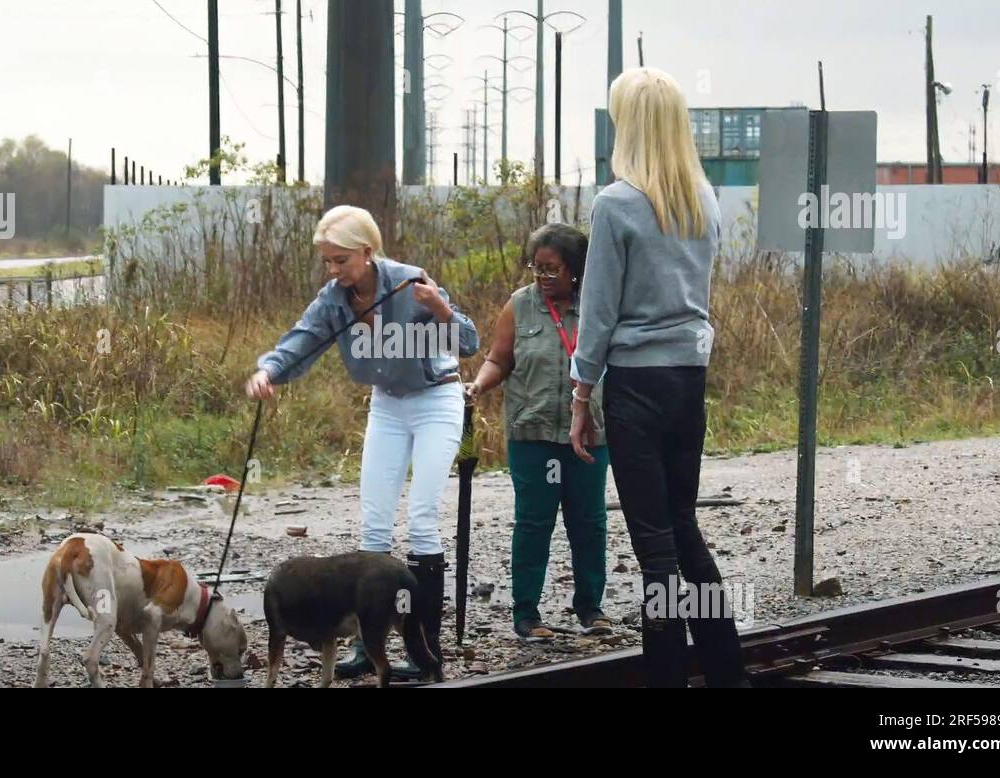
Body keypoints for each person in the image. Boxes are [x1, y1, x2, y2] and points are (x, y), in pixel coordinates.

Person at [568, 68, 749, 688]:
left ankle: (668, 678)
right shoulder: (704, 199)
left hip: (637, 386)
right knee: (682, 527)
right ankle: (729, 674)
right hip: (687, 380)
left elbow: (598, 309)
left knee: (655, 549)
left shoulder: (616, 204)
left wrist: (581, 390)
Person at [245, 204, 479, 679]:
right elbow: (301, 339)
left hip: (436, 398)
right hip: (388, 404)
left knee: (421, 517)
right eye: (327, 261)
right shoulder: (333, 300)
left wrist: (441, 310)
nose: (333, 271)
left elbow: (469, 342)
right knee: (373, 524)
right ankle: (365, 645)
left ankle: (422, 649)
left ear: (367, 253)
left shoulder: (410, 282)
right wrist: (268, 369)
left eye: (341, 261)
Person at [466, 223, 612, 643]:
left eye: (552, 269)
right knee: (533, 523)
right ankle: (527, 614)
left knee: (589, 522)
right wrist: (478, 384)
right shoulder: (520, 306)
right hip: (533, 437)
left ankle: (590, 608)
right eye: (537, 268)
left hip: (589, 437)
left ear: (576, 270)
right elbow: (499, 359)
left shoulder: (597, 307)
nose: (543, 277)